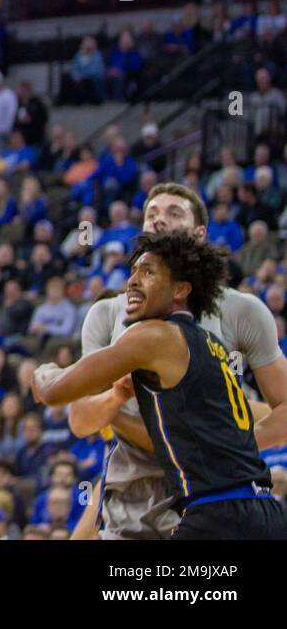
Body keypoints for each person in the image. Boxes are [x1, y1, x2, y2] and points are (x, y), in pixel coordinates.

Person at [69, 182, 287, 539]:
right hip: (132, 493)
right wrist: (115, 399)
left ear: (199, 234)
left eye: (173, 213)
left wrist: (222, 449)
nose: (158, 220)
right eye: (151, 214)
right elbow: (81, 419)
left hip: (210, 496)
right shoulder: (106, 314)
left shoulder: (242, 310)